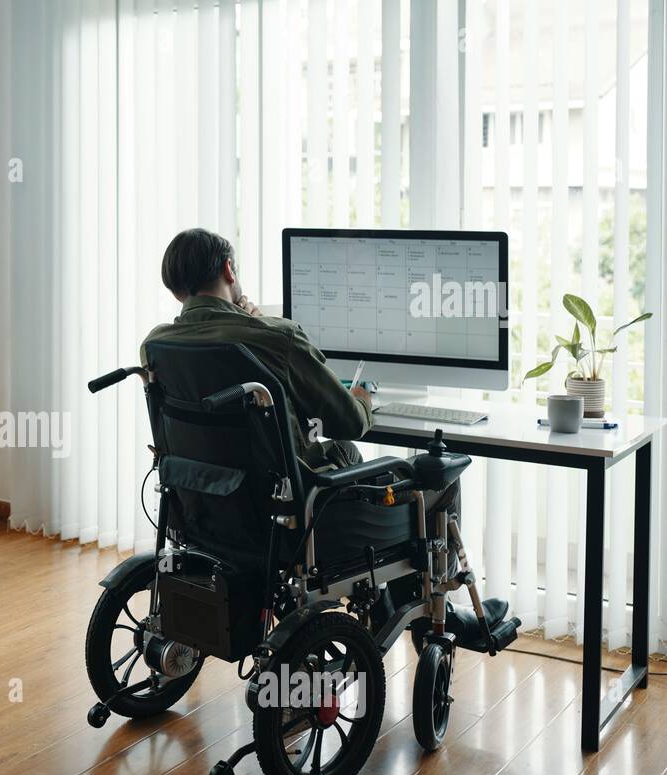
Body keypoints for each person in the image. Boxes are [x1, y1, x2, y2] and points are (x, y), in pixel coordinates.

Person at [143, 227, 506, 639]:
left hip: (207, 515)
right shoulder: (273, 338)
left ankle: (389, 605)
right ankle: (436, 620)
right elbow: (346, 419)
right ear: (229, 268)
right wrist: (363, 397)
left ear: (175, 289)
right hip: (293, 519)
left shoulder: (157, 345)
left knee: (347, 454)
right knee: (432, 479)